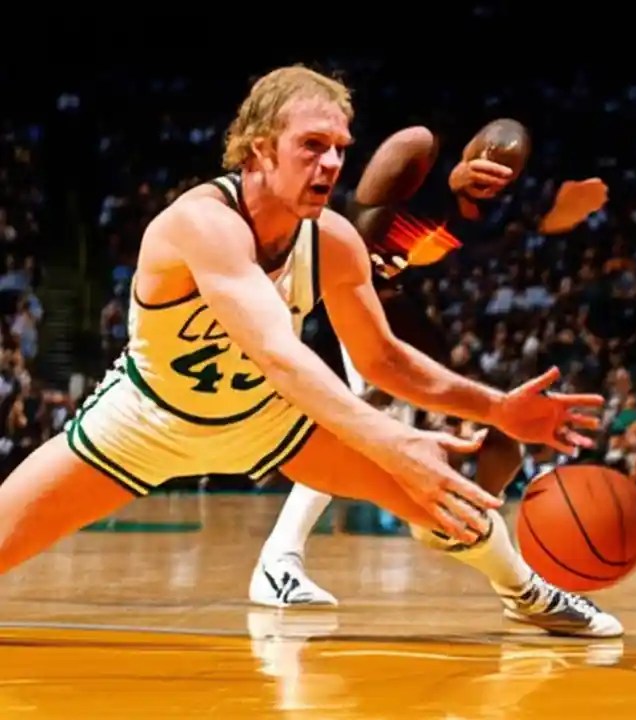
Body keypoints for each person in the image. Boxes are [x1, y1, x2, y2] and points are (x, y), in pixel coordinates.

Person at [0, 65, 605, 604]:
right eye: (313, 146)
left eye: (341, 148)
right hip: (145, 420)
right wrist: (390, 439)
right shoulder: (203, 221)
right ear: (260, 149)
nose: (334, 163)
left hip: (265, 421)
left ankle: (526, 591)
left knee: (448, 501)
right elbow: (278, 353)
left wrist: (496, 407)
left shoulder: (334, 239)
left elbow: (384, 359)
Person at [248, 120, 623, 638]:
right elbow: (355, 224)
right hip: (316, 273)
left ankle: (449, 520)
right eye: (483, 158)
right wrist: (447, 182)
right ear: (464, 150)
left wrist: (561, 218)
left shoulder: (493, 216)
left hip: (384, 294)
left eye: (505, 168)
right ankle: (280, 558)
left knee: (493, 434)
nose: (491, 170)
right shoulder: (415, 159)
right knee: (361, 409)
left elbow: (530, 226)